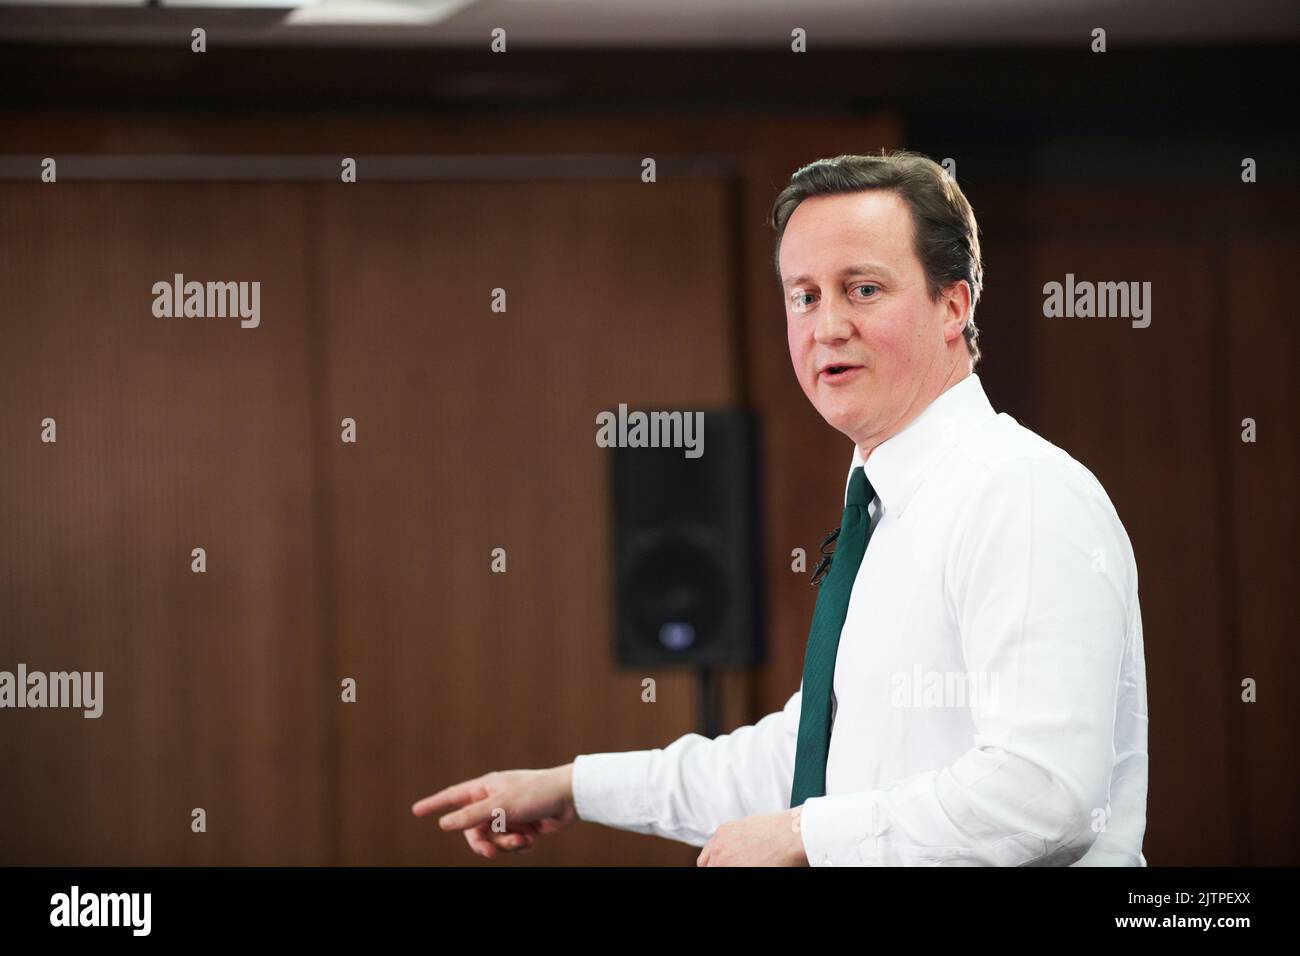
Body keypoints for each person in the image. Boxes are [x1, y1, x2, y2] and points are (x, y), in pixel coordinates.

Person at [411, 151, 1148, 866]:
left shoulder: (1019, 495)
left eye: (862, 289)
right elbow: (804, 759)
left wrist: (807, 837)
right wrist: (570, 787)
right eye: (805, 295)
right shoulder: (885, 510)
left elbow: (1046, 794)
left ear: (953, 305)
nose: (827, 326)